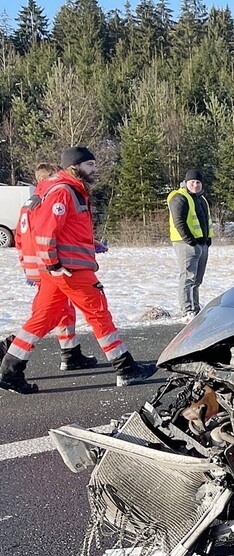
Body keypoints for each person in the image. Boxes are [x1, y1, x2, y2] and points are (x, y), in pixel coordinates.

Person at [0, 146, 156, 394]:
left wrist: (91, 245)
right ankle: (126, 370)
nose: (95, 169)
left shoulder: (70, 190)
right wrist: (54, 265)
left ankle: (10, 370)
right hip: (71, 272)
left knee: (43, 318)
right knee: (99, 315)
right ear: (75, 167)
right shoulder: (63, 191)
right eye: (90, 164)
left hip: (61, 271)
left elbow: (67, 232)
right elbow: (45, 232)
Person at [0, 163, 98, 372]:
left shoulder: (30, 201)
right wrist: (50, 262)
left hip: (37, 265)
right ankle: (10, 349)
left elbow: (19, 236)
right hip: (47, 266)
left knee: (62, 310)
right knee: (45, 316)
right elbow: (45, 233)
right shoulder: (48, 199)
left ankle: (70, 352)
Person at [168, 169, 213, 320]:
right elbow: (179, 221)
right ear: (186, 182)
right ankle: (187, 311)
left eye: (198, 182)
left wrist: (207, 239)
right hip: (186, 244)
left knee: (197, 279)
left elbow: (206, 221)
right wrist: (190, 240)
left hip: (201, 244)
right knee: (188, 277)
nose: (195, 185)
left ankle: (195, 308)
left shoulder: (202, 199)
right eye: (192, 182)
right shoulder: (179, 197)